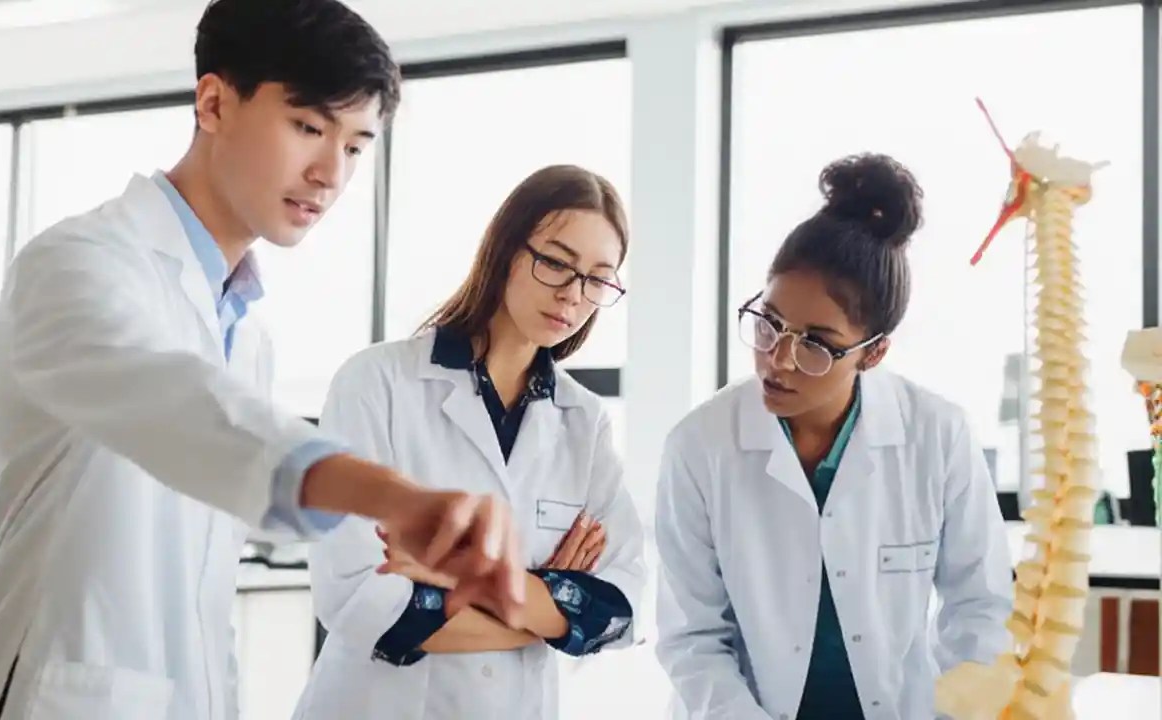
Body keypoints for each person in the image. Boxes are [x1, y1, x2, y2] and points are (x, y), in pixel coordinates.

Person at [0, 2, 525, 719]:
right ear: (213, 102)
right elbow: (180, 408)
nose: (329, 173)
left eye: (355, 146)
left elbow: (216, 544)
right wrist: (393, 497)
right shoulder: (78, 265)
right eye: (307, 127)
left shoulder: (247, 330)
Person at [654, 154, 1013, 719]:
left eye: (817, 343)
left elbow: (982, 609)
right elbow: (693, 638)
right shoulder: (700, 446)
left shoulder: (937, 435)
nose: (779, 359)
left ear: (874, 352)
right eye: (769, 323)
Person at [292, 165, 646, 720]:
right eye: (555, 262)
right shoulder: (376, 383)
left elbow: (620, 611)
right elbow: (356, 600)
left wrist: (450, 582)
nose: (573, 296)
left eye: (598, 279)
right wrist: (547, 604)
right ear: (506, 250)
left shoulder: (585, 420)